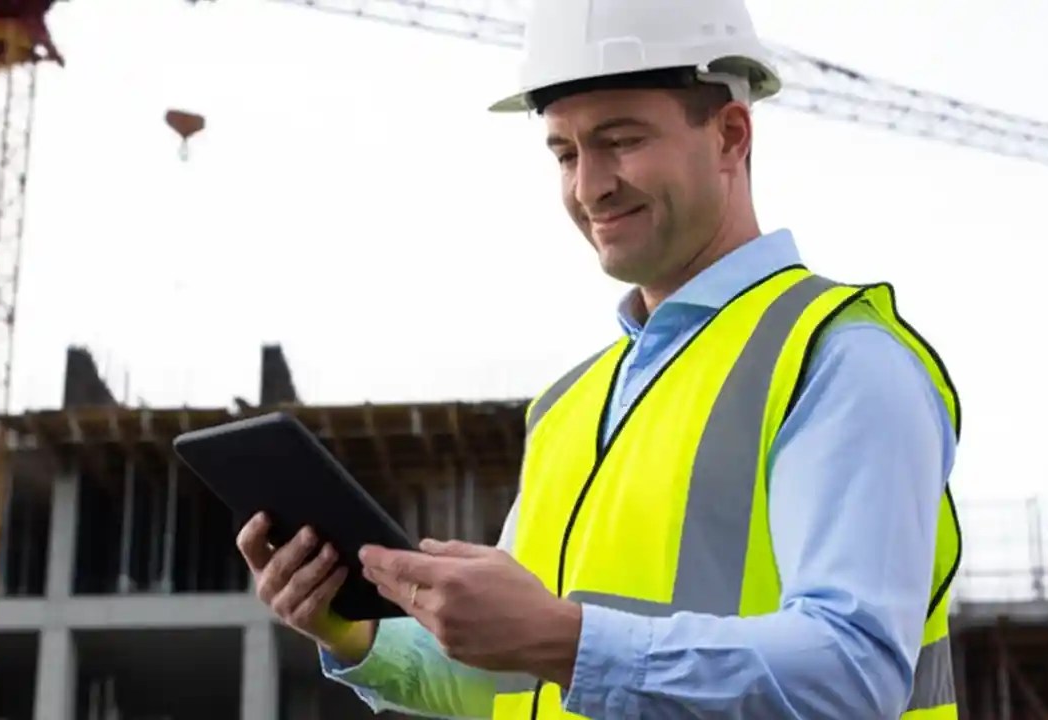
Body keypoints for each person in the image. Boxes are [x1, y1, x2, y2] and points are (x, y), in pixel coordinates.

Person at [235, 0, 963, 716]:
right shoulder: (569, 408)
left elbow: (853, 672)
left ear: (730, 136)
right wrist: (352, 629)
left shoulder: (838, 361)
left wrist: (562, 639)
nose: (590, 186)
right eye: (566, 153)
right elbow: (508, 680)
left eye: (621, 141)